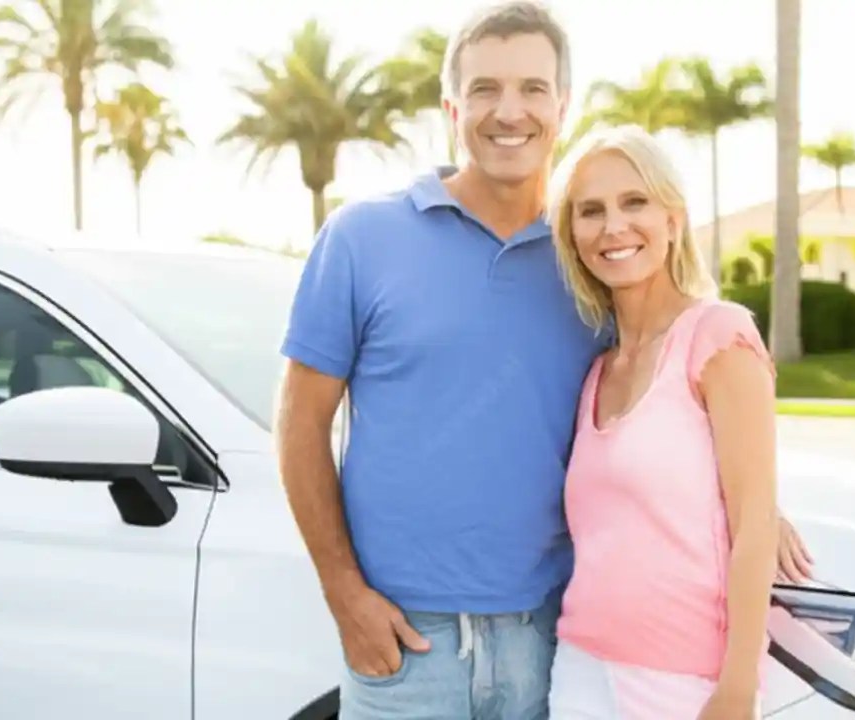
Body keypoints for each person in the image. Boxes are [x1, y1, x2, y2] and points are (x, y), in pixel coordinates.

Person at [275, 2, 812, 718]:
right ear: (451, 108)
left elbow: (669, 400)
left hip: (550, 643)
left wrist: (757, 503)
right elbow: (299, 424)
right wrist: (344, 594)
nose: (509, 111)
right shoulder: (360, 238)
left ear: (562, 107)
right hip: (407, 644)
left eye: (532, 88)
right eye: (485, 90)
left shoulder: (588, 260)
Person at [544, 125, 777, 719]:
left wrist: (737, 688)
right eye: (590, 211)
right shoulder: (597, 369)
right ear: (573, 237)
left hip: (682, 681)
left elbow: (755, 524)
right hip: (580, 664)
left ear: (673, 220)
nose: (614, 226)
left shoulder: (719, 335)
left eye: (635, 201)